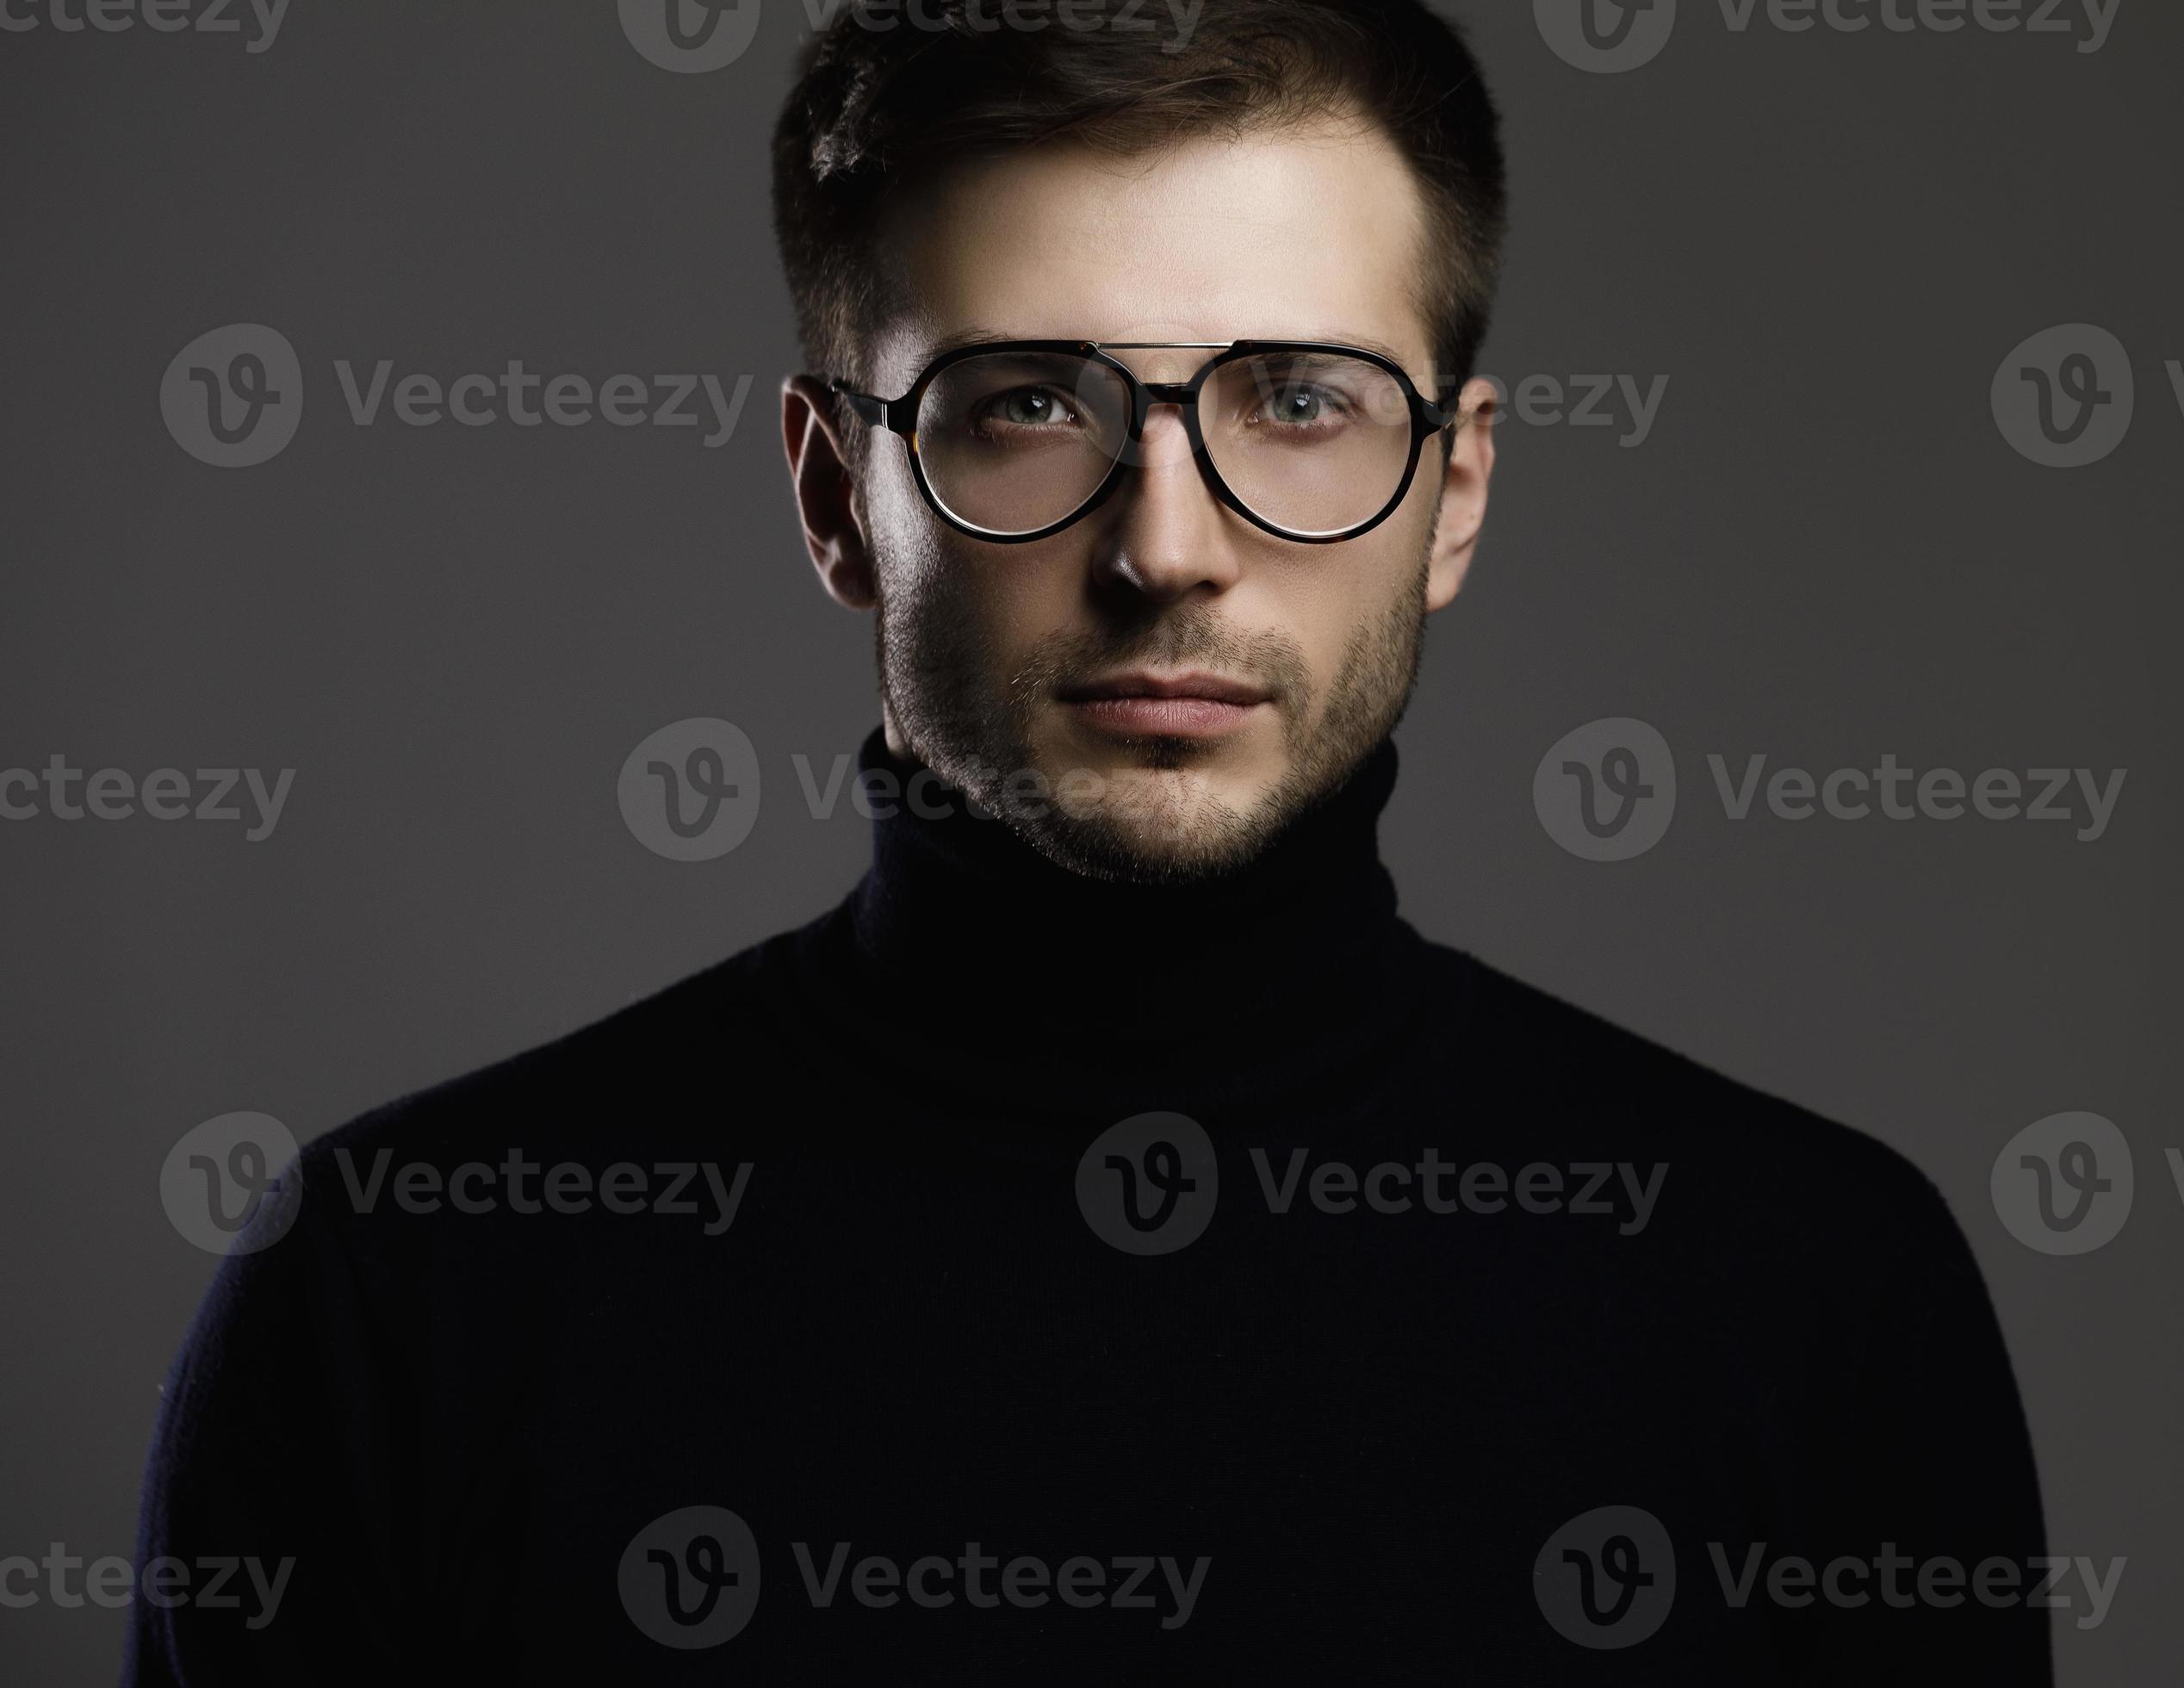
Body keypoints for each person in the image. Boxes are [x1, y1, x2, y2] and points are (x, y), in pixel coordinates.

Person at [128, 2, 2050, 1677]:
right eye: (1027, 402)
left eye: (1298, 401)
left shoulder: (1812, 1289)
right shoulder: (405, 1290)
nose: (1164, 545)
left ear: (1452, 494)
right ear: (833, 493)